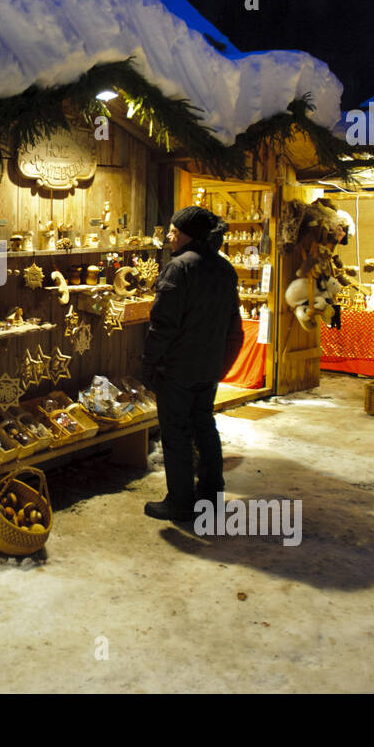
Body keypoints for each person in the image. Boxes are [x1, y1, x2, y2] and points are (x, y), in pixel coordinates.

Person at [141, 206, 244, 522]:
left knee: (176, 434)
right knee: (204, 428)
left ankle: (181, 502)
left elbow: (163, 325)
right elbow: (234, 327)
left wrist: (150, 363)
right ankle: (211, 498)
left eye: (173, 231)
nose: (169, 236)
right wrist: (221, 365)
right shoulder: (225, 269)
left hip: (177, 369)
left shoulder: (178, 269)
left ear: (189, 235)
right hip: (208, 369)